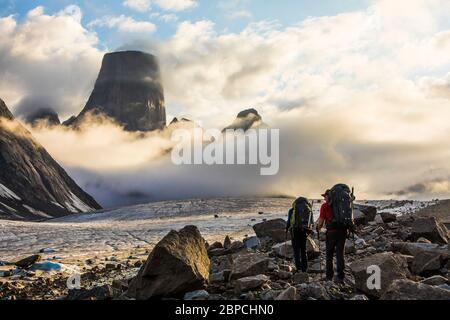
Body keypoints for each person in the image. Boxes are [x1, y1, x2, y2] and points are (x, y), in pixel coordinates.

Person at [316, 189, 348, 283]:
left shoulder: (325, 206)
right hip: (343, 231)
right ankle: (341, 276)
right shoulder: (341, 205)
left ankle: (329, 276)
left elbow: (321, 221)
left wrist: (318, 228)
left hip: (331, 232)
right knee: (340, 254)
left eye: (325, 196)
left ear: (328, 196)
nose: (324, 198)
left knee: (329, 254)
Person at [286, 200, 313, 273]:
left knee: (296, 251)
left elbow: (289, 221)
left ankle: (299, 269)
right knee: (303, 250)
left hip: (295, 231)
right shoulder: (308, 210)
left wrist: (286, 230)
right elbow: (311, 222)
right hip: (304, 231)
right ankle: (305, 269)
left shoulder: (292, 210)